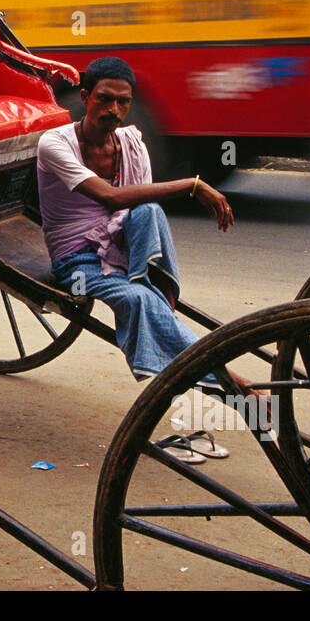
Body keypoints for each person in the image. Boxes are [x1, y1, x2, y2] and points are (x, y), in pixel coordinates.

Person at [37, 56, 233, 381]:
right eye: (104, 99)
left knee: (149, 210)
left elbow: (138, 211)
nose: (113, 109)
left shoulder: (131, 143)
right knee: (138, 299)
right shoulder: (55, 144)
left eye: (123, 102)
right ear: (85, 97)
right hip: (78, 260)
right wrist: (192, 184)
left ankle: (162, 302)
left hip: (121, 247)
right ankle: (232, 381)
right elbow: (110, 198)